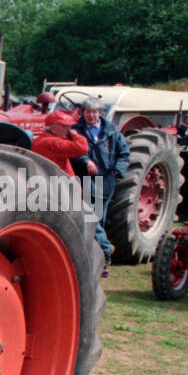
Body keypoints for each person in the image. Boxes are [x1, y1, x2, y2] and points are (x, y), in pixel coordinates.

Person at [72, 97, 129, 274]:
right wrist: (85, 160)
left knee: (98, 219)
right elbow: (72, 150)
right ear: (83, 113)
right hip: (87, 179)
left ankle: (98, 255)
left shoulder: (111, 131)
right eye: (88, 111)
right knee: (92, 218)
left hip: (106, 180)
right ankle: (102, 255)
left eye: (94, 111)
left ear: (100, 113)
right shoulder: (76, 130)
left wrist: (116, 172)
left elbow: (124, 154)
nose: (91, 115)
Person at [30, 109, 89, 175]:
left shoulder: (39, 140)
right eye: (64, 126)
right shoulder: (53, 142)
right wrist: (75, 135)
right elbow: (82, 148)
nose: (68, 129)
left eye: (69, 127)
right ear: (53, 128)